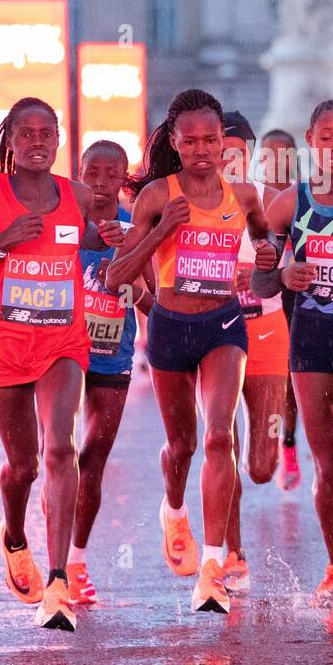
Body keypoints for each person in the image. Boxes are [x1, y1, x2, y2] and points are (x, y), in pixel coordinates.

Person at [105, 89, 276, 616]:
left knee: (220, 435)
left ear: (225, 142)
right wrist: (162, 231)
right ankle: (174, 509)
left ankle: (213, 566)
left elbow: (267, 269)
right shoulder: (157, 195)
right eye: (191, 141)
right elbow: (117, 278)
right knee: (181, 446)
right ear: (175, 144)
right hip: (170, 327)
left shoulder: (245, 196)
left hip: (224, 325)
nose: (203, 149)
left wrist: (268, 259)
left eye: (211, 140)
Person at [0, 97, 107, 633]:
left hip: (63, 343)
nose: (37, 142)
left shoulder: (79, 196)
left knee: (62, 447)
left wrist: (117, 242)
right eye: (26, 133)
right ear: (9, 141)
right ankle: (14, 534)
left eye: (47, 133)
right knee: (24, 466)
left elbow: (102, 247)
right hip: (7, 347)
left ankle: (57, 583)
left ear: (60, 138)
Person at [254, 99, 333, 605]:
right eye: (325, 137)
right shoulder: (289, 205)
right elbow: (261, 280)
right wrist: (284, 274)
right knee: (326, 462)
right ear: (310, 139)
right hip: (309, 337)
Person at [68, 141, 154, 604]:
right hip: (62, 354)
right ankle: (56, 561)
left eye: (111, 174)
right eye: (91, 173)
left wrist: (123, 278)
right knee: (58, 455)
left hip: (112, 356)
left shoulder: (135, 232)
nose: (100, 184)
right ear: (80, 174)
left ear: (125, 179)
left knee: (93, 459)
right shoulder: (63, 229)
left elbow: (152, 304)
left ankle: (77, 561)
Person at [219, 112, 289, 595]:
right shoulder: (190, 202)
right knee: (220, 444)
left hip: (268, 331)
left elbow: (300, 262)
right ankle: (232, 554)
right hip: (215, 332)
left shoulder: (273, 204)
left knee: (261, 466)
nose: (227, 161)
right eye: (218, 151)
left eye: (237, 153)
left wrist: (266, 276)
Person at [258, 127, 302, 489]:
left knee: (291, 378)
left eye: (281, 155)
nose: (273, 163)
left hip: (297, 296)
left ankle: (288, 442)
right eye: (266, 156)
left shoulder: (303, 198)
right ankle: (268, 442)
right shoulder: (251, 197)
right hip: (261, 296)